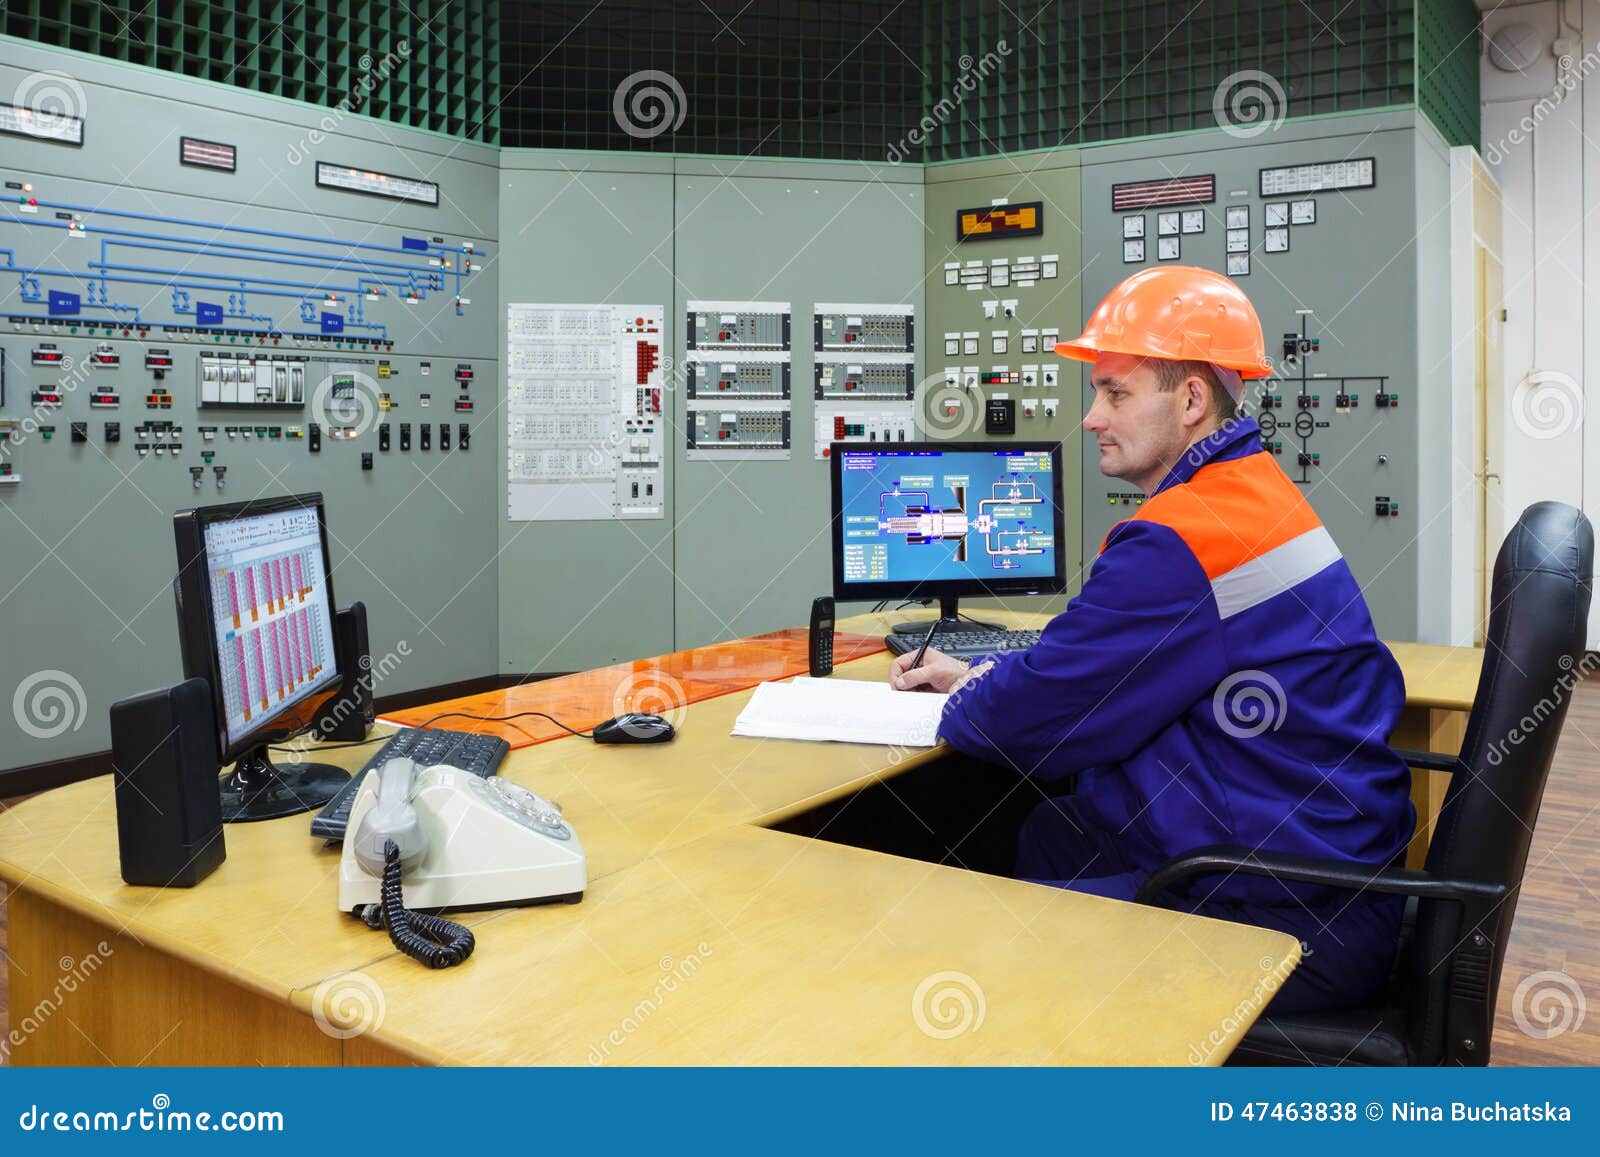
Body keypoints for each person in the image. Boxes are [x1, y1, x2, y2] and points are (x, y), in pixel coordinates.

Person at [889, 266, 1414, 1014]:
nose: (1092, 418)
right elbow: (1092, 662)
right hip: (1331, 873)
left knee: (992, 942)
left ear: (1192, 399)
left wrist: (973, 689)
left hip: (1279, 918)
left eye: (1115, 393)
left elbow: (1033, 718)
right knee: (1048, 829)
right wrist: (995, 667)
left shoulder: (1182, 539)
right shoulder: (1252, 489)